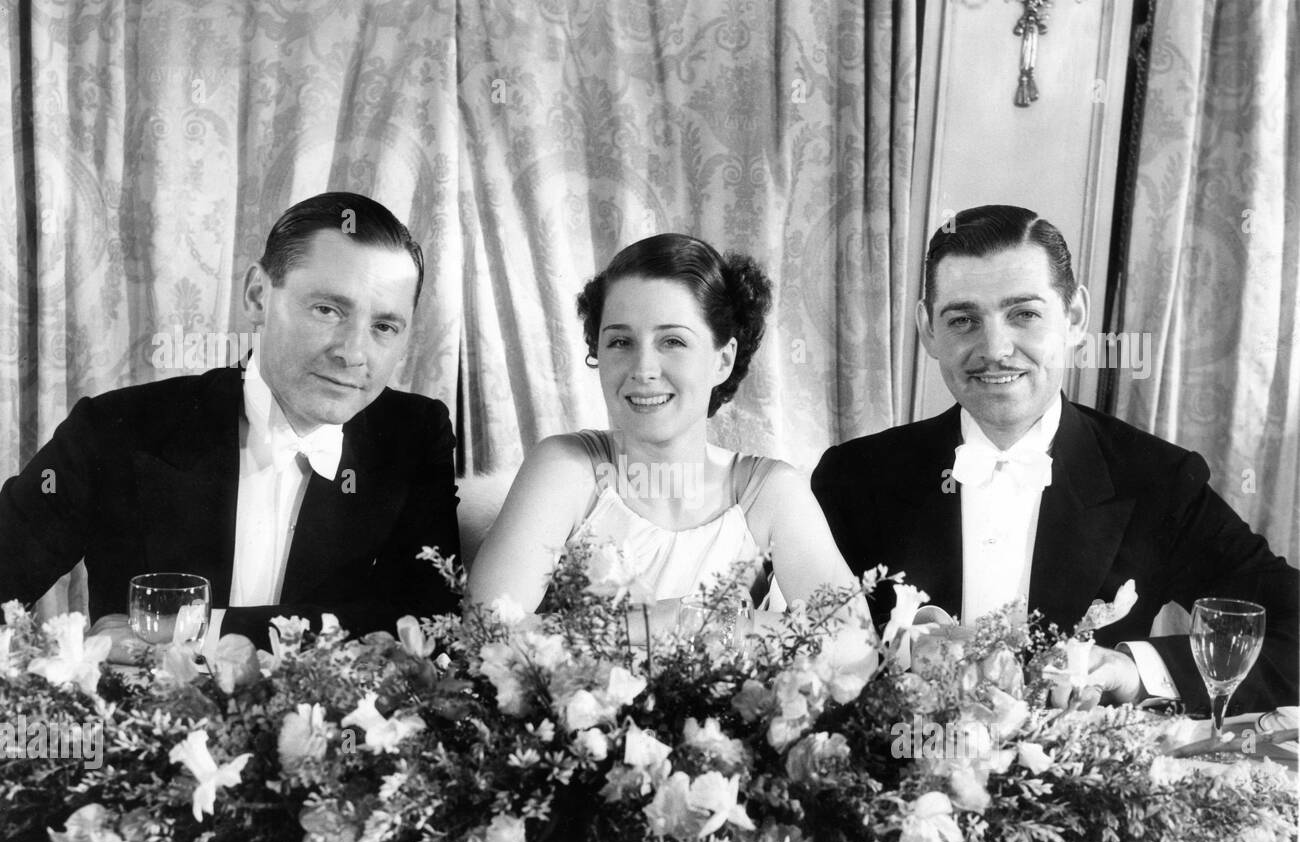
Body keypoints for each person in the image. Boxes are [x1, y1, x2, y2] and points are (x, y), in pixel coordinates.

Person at [812, 204, 1297, 715]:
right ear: (928, 329)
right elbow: (792, 652)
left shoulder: (1156, 479)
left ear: (1075, 318)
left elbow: (1294, 628)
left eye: (1024, 314)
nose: (995, 349)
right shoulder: (853, 477)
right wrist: (886, 653)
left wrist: (1136, 672)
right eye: (964, 319)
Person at [0, 191, 461, 653]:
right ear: (258, 295)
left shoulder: (413, 435)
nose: (352, 353)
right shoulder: (115, 427)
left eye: (384, 326)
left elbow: (431, 622)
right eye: (327, 310)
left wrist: (198, 630)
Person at [468, 233, 856, 629]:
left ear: (723, 360)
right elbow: (485, 631)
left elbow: (852, 647)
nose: (643, 369)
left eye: (672, 341)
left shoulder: (770, 491)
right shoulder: (565, 467)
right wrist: (685, 621)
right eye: (620, 341)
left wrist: (607, 631)